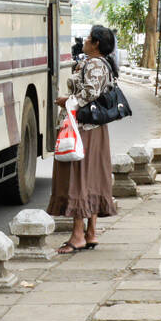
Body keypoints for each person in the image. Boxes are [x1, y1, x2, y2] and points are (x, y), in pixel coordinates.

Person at [51, 25, 120, 253]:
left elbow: (90, 92)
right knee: (91, 177)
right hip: (94, 129)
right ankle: (90, 232)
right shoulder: (100, 63)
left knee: (79, 177)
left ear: (97, 43)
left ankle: (78, 234)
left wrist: (67, 101)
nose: (85, 41)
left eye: (89, 38)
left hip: (84, 128)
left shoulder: (95, 64)